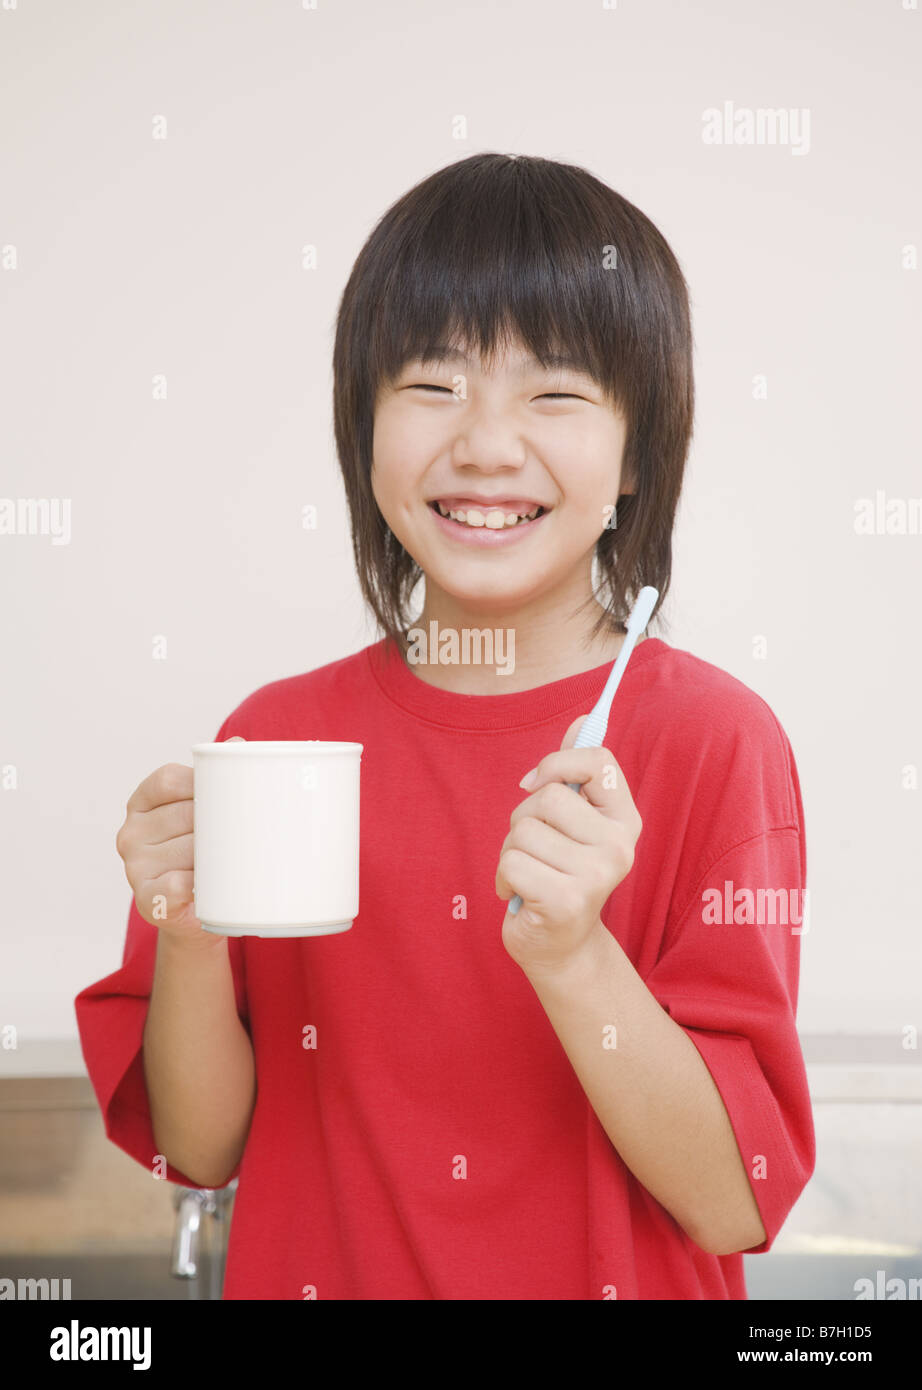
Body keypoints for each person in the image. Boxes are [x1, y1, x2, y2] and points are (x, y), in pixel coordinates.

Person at [75, 152, 815, 1300]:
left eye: (555, 392)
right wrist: (186, 930)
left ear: (636, 456)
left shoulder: (715, 740)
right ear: (360, 425)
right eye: (432, 383)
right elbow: (204, 1148)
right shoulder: (272, 739)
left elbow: (730, 1195)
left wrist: (574, 958)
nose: (482, 443)